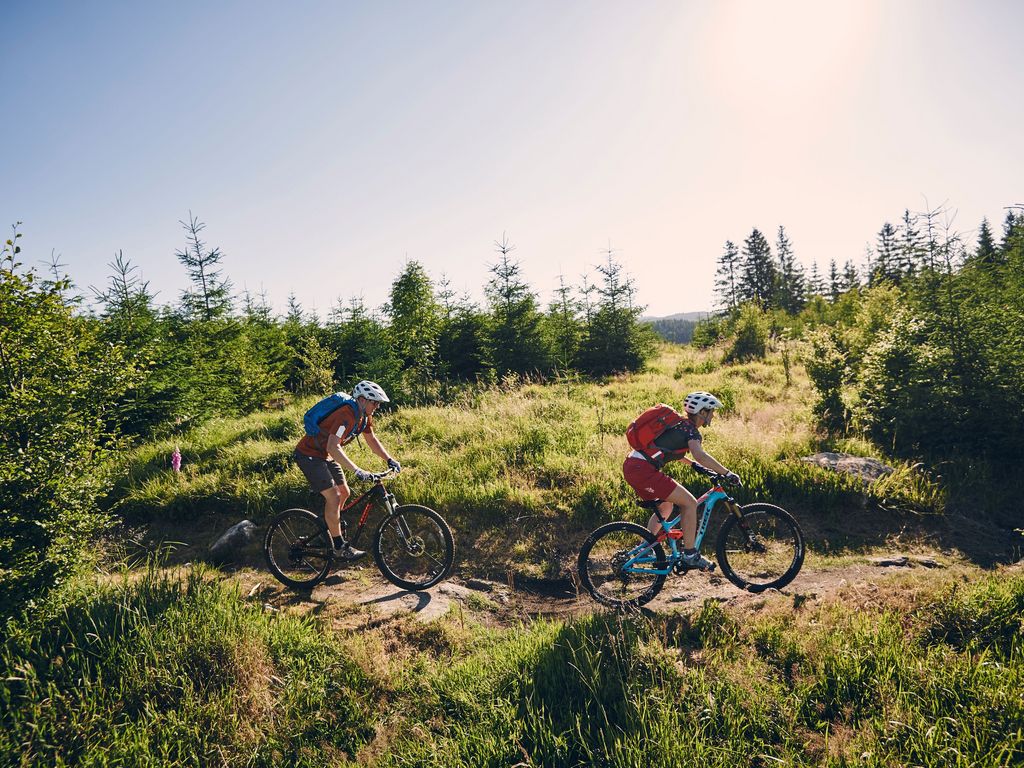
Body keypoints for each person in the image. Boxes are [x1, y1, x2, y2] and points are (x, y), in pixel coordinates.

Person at [622, 391, 740, 571]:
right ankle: (690, 554)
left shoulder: (679, 424)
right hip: (643, 470)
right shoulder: (691, 431)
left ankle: (646, 548)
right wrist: (727, 473)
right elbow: (700, 455)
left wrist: (694, 465)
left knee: (665, 507)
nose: (713, 415)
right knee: (689, 503)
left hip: (634, 466)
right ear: (702, 412)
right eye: (711, 411)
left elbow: (667, 449)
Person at [293, 380, 401, 560]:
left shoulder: (363, 416)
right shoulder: (346, 415)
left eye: (378, 403)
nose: (377, 406)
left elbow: (371, 440)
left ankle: (328, 532)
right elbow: (333, 446)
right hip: (309, 455)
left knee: (344, 492)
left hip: (325, 455)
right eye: (374, 402)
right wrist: (357, 470)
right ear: (362, 400)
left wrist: (389, 459)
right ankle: (338, 547)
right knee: (334, 496)